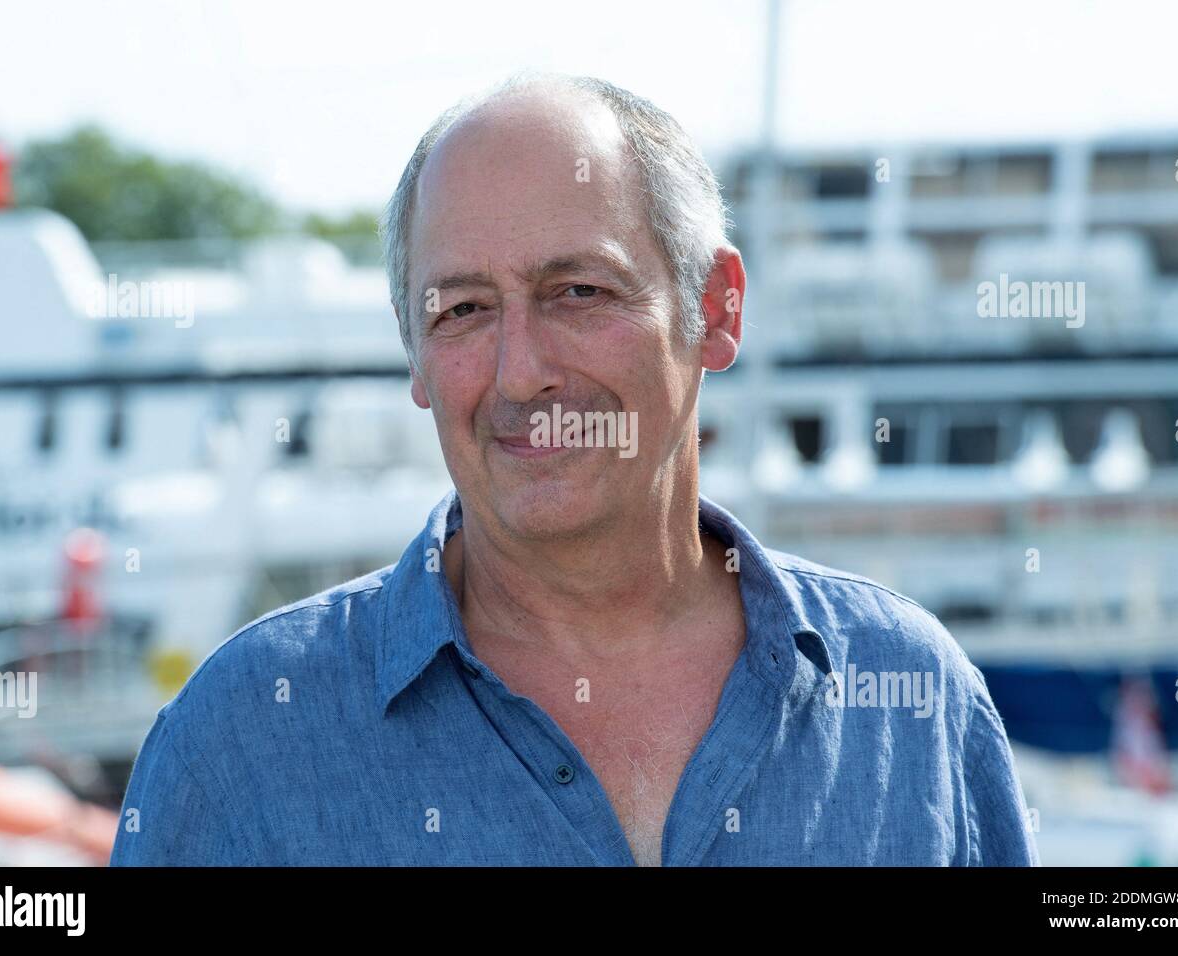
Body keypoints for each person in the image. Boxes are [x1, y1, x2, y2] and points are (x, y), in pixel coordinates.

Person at [110, 70, 1039, 866]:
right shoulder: (242, 744)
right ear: (415, 359)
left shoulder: (911, 705)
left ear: (715, 312)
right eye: (464, 310)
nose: (522, 372)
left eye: (578, 292)